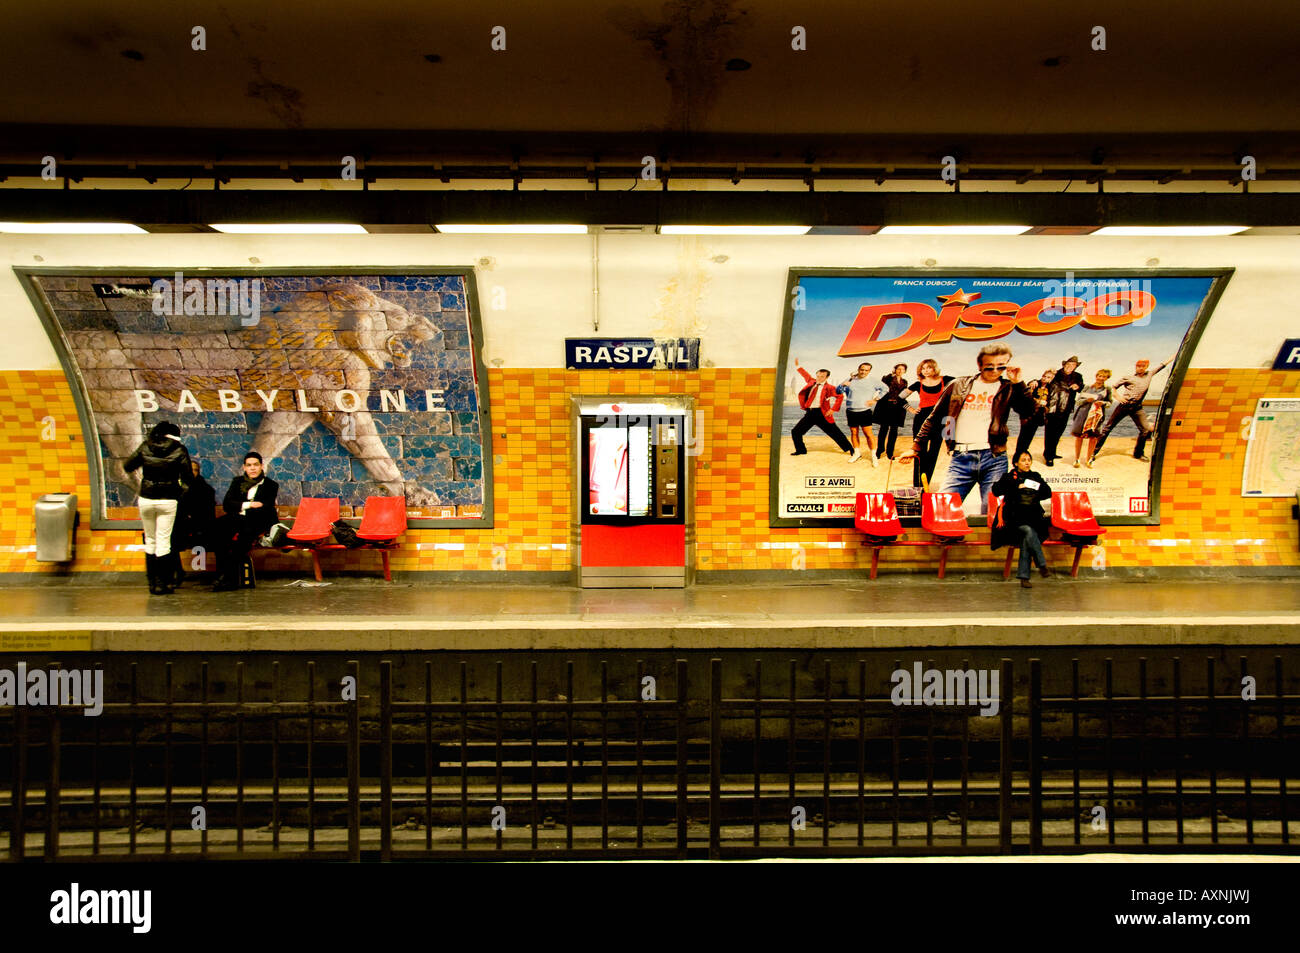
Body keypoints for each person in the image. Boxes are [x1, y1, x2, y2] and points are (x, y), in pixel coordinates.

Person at [897, 344, 1031, 514]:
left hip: (994, 458)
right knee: (943, 511)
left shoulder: (1009, 388)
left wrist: (1019, 383)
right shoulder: (958, 384)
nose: (995, 370)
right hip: (961, 458)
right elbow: (934, 417)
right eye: (990, 366)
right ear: (980, 364)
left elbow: (1031, 414)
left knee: (994, 513)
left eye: (1001, 366)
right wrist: (915, 447)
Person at [123, 421, 191, 595]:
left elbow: (128, 465)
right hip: (168, 500)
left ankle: (152, 583)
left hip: (146, 498)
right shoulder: (179, 449)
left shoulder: (146, 446)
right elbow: (188, 477)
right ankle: (165, 583)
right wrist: (179, 491)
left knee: (150, 541)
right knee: (164, 542)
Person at [211, 452, 280, 591]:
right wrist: (249, 504)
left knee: (242, 541)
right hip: (238, 518)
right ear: (244, 467)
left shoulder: (271, 485)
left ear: (261, 466)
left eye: (255, 465)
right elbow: (227, 505)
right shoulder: (237, 482)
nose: (252, 468)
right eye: (249, 465)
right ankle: (225, 577)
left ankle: (226, 578)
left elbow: (264, 508)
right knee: (219, 533)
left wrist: (239, 506)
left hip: (258, 521)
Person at [1087, 356, 1174, 464]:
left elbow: (1163, 364)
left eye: (1143, 366)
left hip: (1137, 407)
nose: (1140, 368)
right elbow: (1114, 387)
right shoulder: (1128, 378)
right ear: (1136, 367)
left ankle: (1138, 453)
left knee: (1145, 429)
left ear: (1146, 367)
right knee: (1107, 428)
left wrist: (1176, 354)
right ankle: (1093, 453)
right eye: (1138, 366)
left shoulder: (1150, 374)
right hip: (1124, 406)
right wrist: (1118, 397)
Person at [990, 451, 1053, 588]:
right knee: (1028, 531)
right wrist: (1016, 487)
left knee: (1028, 536)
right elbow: (995, 490)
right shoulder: (1008, 477)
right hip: (1012, 522)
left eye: (1029, 460)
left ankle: (1024, 577)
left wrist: (1035, 487)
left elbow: (1048, 493)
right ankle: (1042, 565)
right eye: (1023, 460)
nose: (1027, 462)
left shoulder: (1035, 476)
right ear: (1016, 463)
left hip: (1032, 519)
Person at [790, 360, 861, 461]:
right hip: (810, 413)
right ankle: (801, 450)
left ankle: (850, 449)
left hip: (822, 414)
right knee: (796, 431)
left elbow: (840, 397)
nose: (819, 378)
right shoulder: (811, 381)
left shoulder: (830, 388)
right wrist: (798, 366)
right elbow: (805, 374)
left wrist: (833, 409)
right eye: (818, 376)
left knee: (835, 433)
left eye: (822, 377)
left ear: (827, 377)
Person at [906, 358, 954, 487]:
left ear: (934, 368)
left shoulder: (947, 380)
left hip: (939, 421)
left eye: (929, 368)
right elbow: (898, 398)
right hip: (921, 420)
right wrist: (910, 409)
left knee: (933, 453)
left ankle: (925, 483)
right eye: (923, 368)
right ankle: (917, 486)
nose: (926, 371)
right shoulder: (918, 384)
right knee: (919, 452)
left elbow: (964, 384)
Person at [171, 459, 217, 587]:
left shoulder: (206, 490)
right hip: (183, 527)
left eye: (195, 470)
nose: (192, 473)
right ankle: (178, 572)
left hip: (201, 528)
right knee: (169, 540)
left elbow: (207, 514)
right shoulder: (176, 489)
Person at [1041, 356, 1085, 466]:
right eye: (1068, 364)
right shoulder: (1055, 373)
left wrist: (1078, 386)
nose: (1070, 367)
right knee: (1050, 432)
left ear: (1075, 367)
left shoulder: (1078, 376)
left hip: (1066, 408)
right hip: (1053, 407)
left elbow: (1082, 387)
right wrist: (1033, 382)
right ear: (1064, 365)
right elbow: (1043, 380)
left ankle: (1052, 452)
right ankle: (1048, 456)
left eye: (1073, 365)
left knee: (1059, 431)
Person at [836, 362, 882, 467]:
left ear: (869, 371)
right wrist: (842, 385)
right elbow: (838, 391)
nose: (863, 372)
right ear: (858, 369)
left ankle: (874, 456)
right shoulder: (850, 379)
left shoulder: (873, 381)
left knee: (868, 434)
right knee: (854, 432)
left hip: (865, 411)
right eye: (862, 369)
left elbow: (885, 389)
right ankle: (857, 453)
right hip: (851, 410)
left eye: (866, 370)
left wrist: (875, 400)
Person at [1070, 369, 1114, 467]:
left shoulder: (1107, 389)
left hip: (1096, 416)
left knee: (1093, 438)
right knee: (1079, 437)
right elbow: (1078, 402)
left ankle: (1089, 459)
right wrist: (1087, 400)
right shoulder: (1087, 387)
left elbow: (1110, 402)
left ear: (1107, 378)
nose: (1101, 378)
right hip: (1082, 414)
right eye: (1099, 376)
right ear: (1096, 376)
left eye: (1104, 377)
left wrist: (1103, 403)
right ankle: (1077, 459)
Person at [1013, 369, 1054, 461]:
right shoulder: (1035, 384)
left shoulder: (1051, 388)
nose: (1045, 379)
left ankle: (1024, 452)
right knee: (1025, 434)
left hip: (1040, 414)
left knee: (1031, 434)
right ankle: (1019, 454)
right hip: (1029, 413)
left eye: (1048, 377)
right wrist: (1038, 401)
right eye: (1044, 376)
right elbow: (1027, 396)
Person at [875, 363, 910, 460]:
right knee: (883, 429)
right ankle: (879, 450)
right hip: (886, 406)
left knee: (894, 431)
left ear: (905, 371)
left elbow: (904, 394)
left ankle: (890, 452)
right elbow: (883, 381)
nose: (900, 371)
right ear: (895, 369)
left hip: (897, 408)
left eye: (902, 369)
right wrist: (891, 374)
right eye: (898, 369)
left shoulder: (905, 381)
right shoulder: (888, 378)